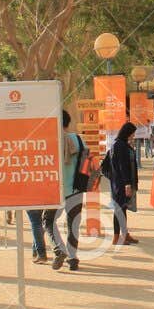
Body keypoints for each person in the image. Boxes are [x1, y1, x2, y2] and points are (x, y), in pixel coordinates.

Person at [52, 111, 87, 271]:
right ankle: (73, 258)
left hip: (55, 190)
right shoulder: (79, 140)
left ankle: (60, 249)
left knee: (48, 220)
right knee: (73, 224)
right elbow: (88, 160)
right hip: (76, 188)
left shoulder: (51, 140)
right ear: (68, 121)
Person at [107, 119, 140, 247]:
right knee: (119, 209)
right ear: (127, 133)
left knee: (123, 208)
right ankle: (116, 237)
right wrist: (126, 183)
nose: (134, 136)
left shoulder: (123, 144)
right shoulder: (119, 146)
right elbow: (122, 166)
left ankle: (125, 234)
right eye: (132, 133)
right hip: (120, 184)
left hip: (121, 183)